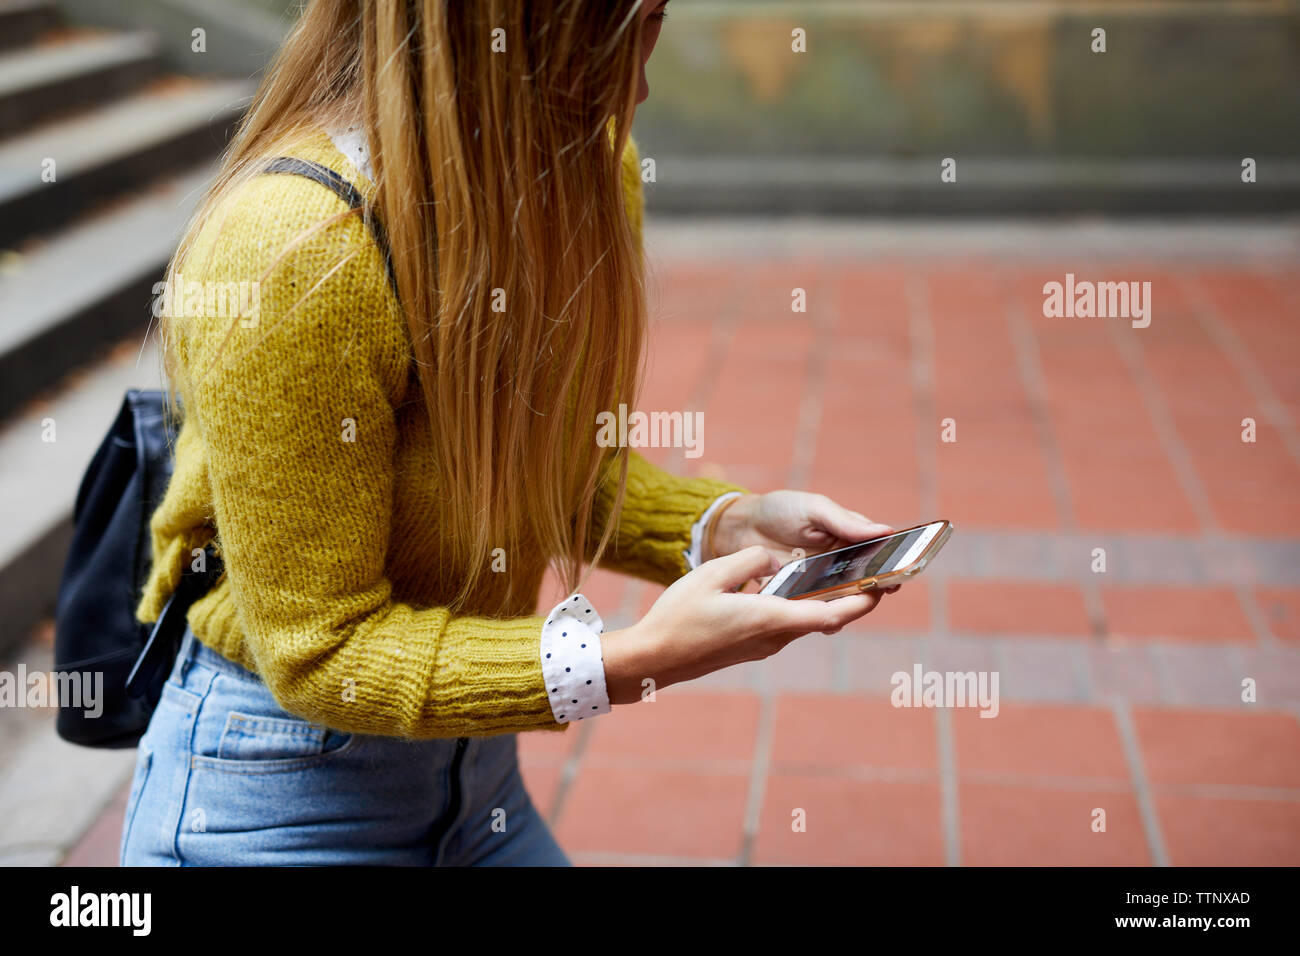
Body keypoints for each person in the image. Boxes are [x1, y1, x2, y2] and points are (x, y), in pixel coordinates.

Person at [120, 0, 897, 867]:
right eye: (625, 29)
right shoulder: (294, 252)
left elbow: (554, 471)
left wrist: (725, 525)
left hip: (478, 775)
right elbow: (321, 650)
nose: (645, 75)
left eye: (659, 20)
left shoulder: (589, 167)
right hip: (281, 790)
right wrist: (630, 660)